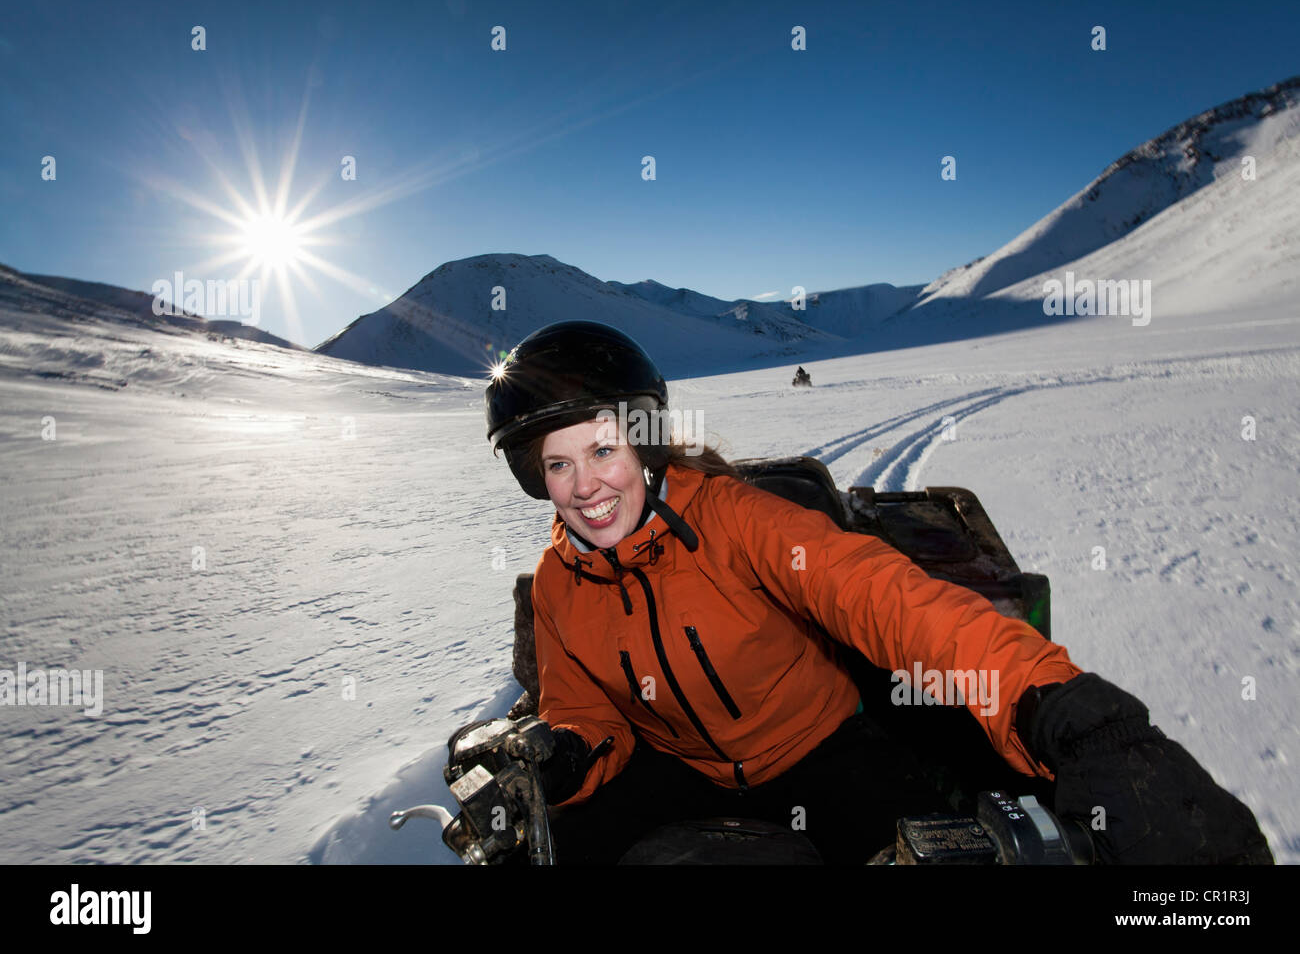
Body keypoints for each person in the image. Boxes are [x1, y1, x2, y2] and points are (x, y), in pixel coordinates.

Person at [485, 320, 1273, 865]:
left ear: (646, 443)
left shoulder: (732, 519)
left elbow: (890, 600)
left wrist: (1057, 703)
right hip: (681, 769)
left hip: (820, 752)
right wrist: (571, 753)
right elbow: (585, 709)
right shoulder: (560, 584)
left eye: (602, 450)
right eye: (557, 465)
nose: (585, 487)